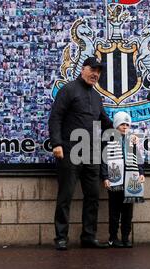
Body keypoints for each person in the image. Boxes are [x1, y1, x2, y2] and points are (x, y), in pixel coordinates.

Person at [48, 56, 113, 250]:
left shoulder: (96, 97)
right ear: (83, 69)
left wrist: (121, 133)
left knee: (93, 196)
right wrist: (56, 143)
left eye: (99, 71)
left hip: (91, 153)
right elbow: (55, 118)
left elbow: (104, 121)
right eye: (93, 69)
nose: (96, 74)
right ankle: (61, 237)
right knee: (65, 196)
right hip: (69, 152)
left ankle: (88, 237)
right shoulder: (68, 90)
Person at [100, 111, 145, 248]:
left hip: (130, 178)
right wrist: (105, 177)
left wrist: (141, 172)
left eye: (127, 124)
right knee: (114, 211)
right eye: (122, 124)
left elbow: (138, 158)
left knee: (128, 211)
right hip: (115, 178)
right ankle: (113, 238)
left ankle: (126, 237)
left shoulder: (133, 139)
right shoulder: (108, 139)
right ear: (116, 125)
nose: (125, 127)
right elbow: (103, 160)